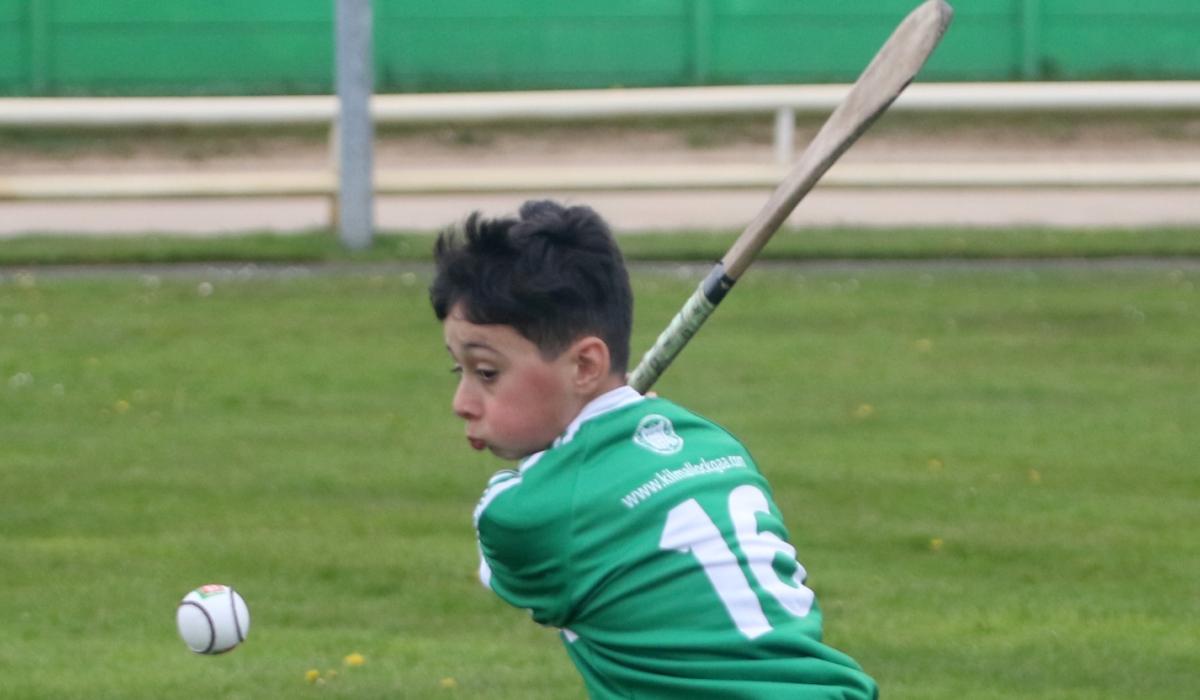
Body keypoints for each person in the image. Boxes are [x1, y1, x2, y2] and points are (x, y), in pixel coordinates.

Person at [430, 200, 877, 699]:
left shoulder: (520, 514)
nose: (462, 403)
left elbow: (512, 551)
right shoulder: (712, 442)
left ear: (584, 367)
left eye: (487, 373)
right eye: (460, 370)